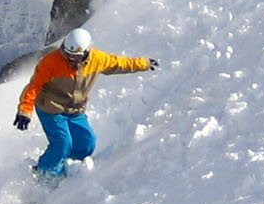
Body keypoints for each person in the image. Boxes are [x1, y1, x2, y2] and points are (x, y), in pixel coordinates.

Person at [14, 27, 157, 178]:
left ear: (87, 52)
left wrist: (144, 63)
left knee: (86, 142)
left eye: (76, 56)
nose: (71, 59)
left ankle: (68, 166)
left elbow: (119, 63)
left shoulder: (97, 59)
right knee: (62, 143)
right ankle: (44, 175)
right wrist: (25, 110)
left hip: (75, 110)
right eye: (68, 54)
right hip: (51, 108)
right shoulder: (51, 62)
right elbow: (34, 86)